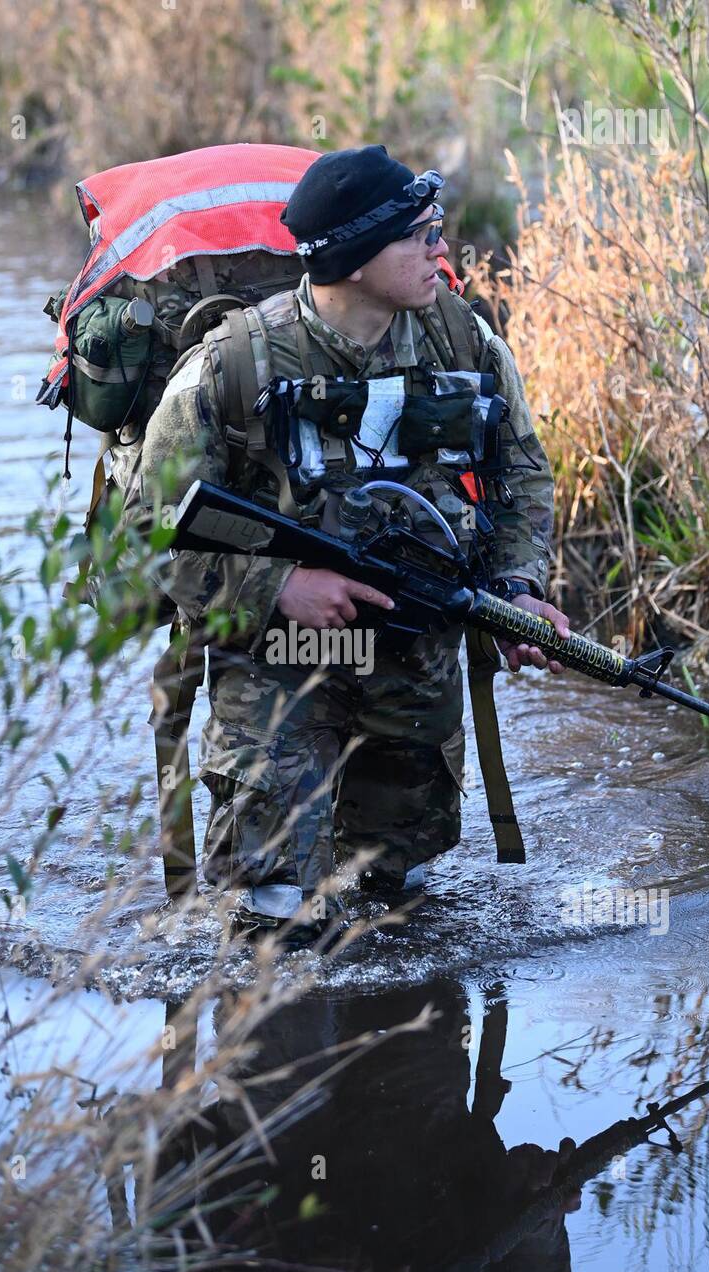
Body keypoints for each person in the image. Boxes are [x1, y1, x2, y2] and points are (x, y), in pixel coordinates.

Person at [129, 145, 570, 939]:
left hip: (414, 653)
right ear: (355, 259)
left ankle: (396, 1052)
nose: (441, 249)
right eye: (420, 236)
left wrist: (517, 590)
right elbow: (141, 536)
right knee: (274, 918)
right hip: (275, 664)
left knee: (401, 905)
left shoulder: (462, 343)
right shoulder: (232, 364)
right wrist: (276, 588)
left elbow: (521, 477)